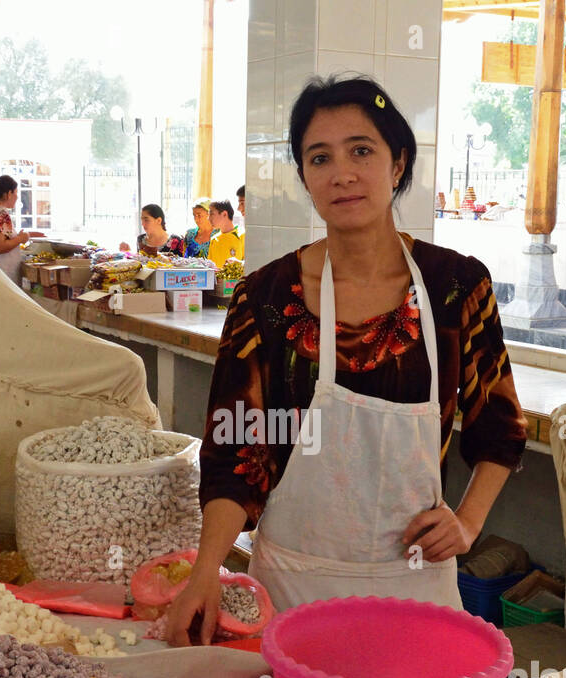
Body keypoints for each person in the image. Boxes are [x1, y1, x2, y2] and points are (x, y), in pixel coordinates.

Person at [163, 76, 527, 645]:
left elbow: (500, 427)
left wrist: (469, 520)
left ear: (398, 161)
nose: (343, 173)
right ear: (305, 177)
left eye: (362, 150)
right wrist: (206, 572)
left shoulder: (455, 287)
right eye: (319, 157)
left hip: (415, 588)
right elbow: (236, 448)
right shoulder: (264, 298)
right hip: (289, 588)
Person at [0, 175, 43, 282]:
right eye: (16, 193)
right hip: (1, 274)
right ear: (8, 194)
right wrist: (21, 239)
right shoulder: (0, 213)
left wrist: (25, 235)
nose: (17, 197)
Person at [208, 199, 245, 267]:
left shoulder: (242, 236)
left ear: (224, 214)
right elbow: (211, 267)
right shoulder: (214, 239)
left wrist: (239, 263)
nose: (208, 218)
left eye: (212, 214)